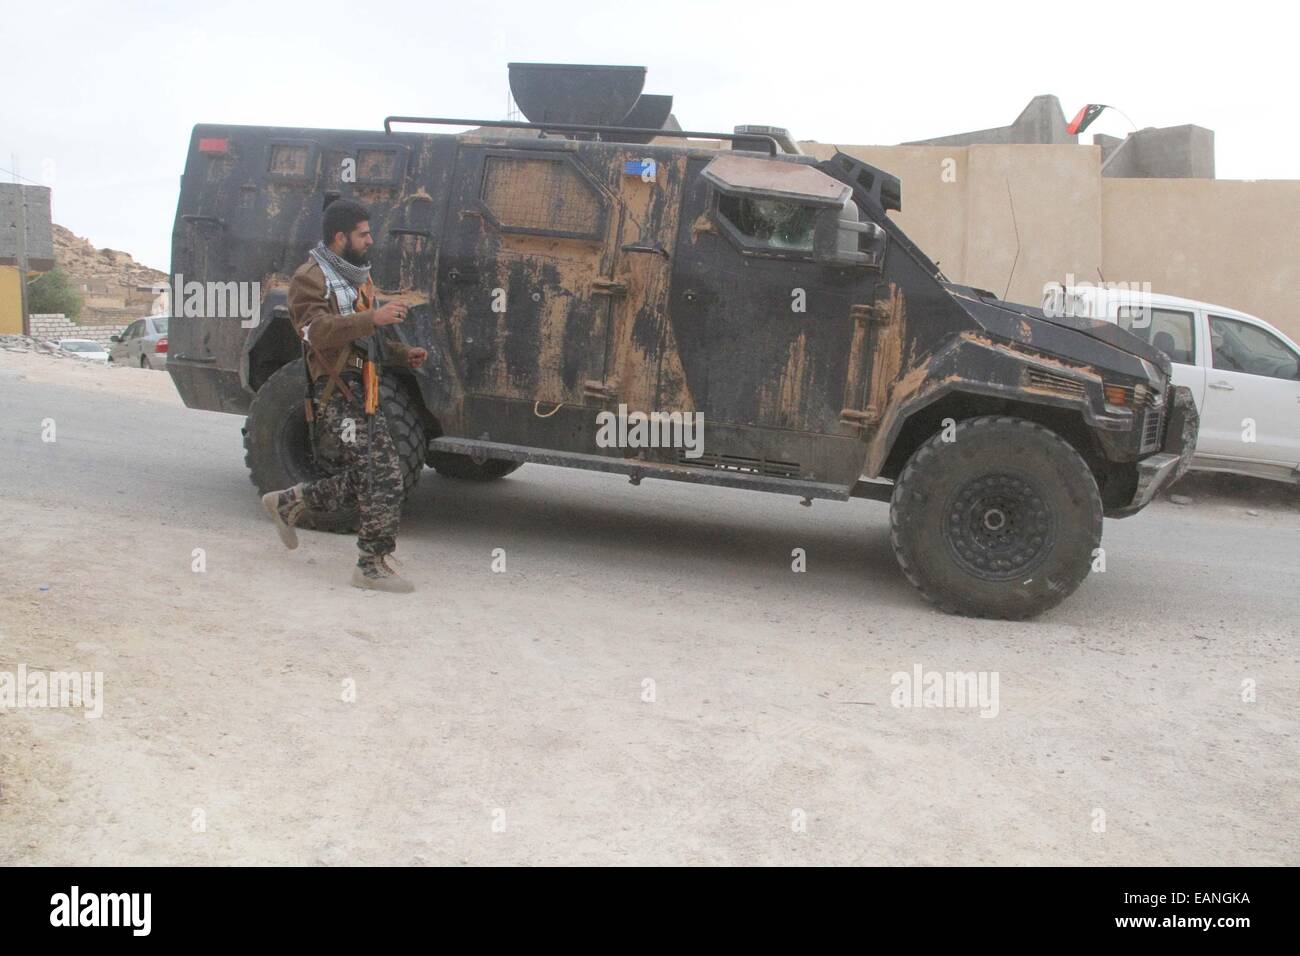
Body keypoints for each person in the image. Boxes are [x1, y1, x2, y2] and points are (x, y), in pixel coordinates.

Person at [262, 199, 427, 592]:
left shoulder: (357, 278)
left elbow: (370, 339)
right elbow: (313, 331)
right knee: (384, 474)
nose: (371, 240)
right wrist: (373, 317)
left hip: (362, 388)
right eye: (363, 233)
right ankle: (370, 564)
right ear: (340, 238)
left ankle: (289, 503)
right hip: (334, 391)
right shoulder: (311, 278)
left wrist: (404, 354)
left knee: (369, 473)